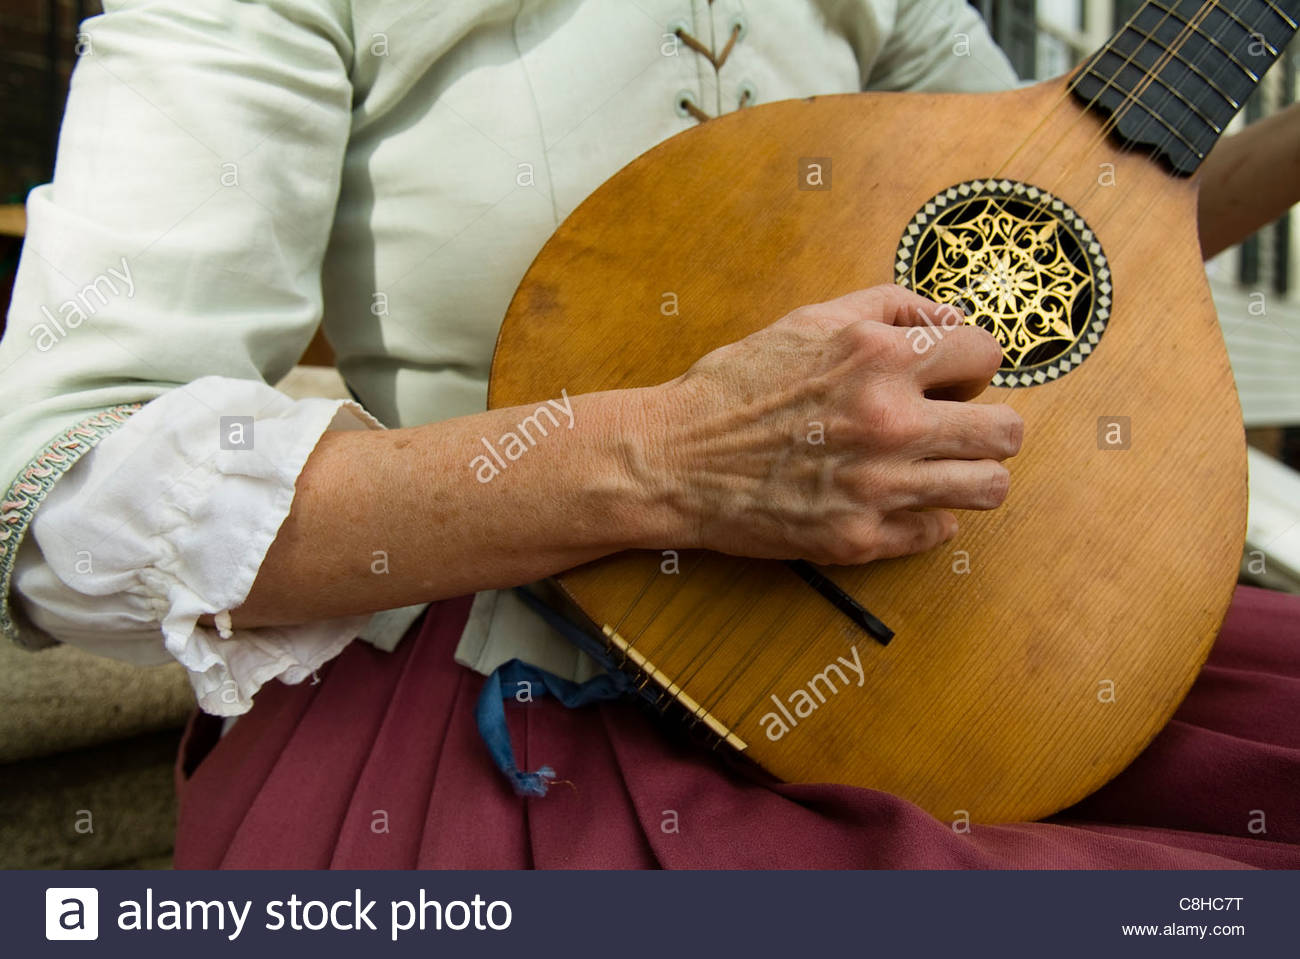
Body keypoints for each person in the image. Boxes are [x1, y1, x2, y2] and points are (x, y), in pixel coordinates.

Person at [1, 0, 1297, 868]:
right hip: (507, 693)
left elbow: (1073, 210)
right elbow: (66, 496)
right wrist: (673, 458)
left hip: (927, 662)